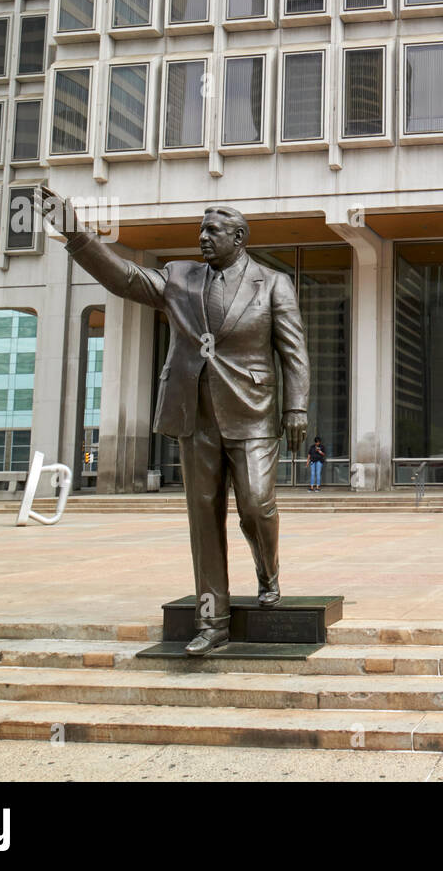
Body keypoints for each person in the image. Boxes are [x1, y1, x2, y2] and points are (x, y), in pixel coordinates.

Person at [56, 200, 309, 657]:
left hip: (252, 412)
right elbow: (125, 278)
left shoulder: (273, 284)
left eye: (214, 231)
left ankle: (268, 573)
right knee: (203, 519)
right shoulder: (180, 277)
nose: (203, 238)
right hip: (195, 415)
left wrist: (297, 408)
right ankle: (212, 620)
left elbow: (293, 352)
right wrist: (76, 234)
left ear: (239, 239)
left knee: (256, 505)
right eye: (201, 230)